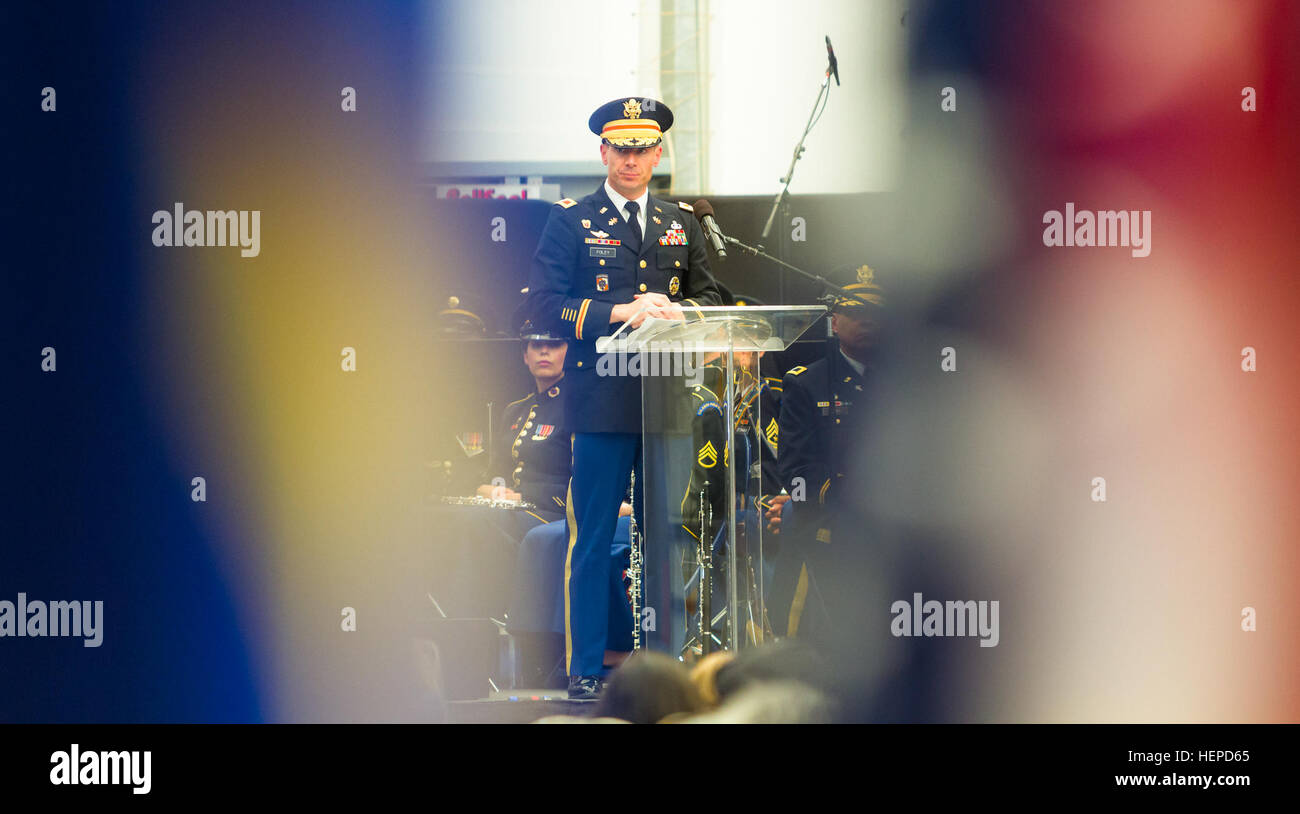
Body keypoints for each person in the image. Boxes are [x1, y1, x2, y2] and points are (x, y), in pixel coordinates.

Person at [528, 96, 723, 699]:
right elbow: (541, 305)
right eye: (621, 148)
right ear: (604, 152)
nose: (631, 159)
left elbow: (715, 300)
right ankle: (585, 668)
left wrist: (676, 308)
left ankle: (665, 670)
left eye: (642, 149)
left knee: (667, 535)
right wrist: (620, 309)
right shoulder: (570, 220)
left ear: (658, 153)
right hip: (600, 403)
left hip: (665, 401)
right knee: (589, 542)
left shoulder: (680, 221)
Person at [771, 264, 884, 639]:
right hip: (832, 514)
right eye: (855, 312)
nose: (867, 321)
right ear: (835, 322)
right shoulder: (808, 383)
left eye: (875, 314)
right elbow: (796, 467)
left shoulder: (908, 380)